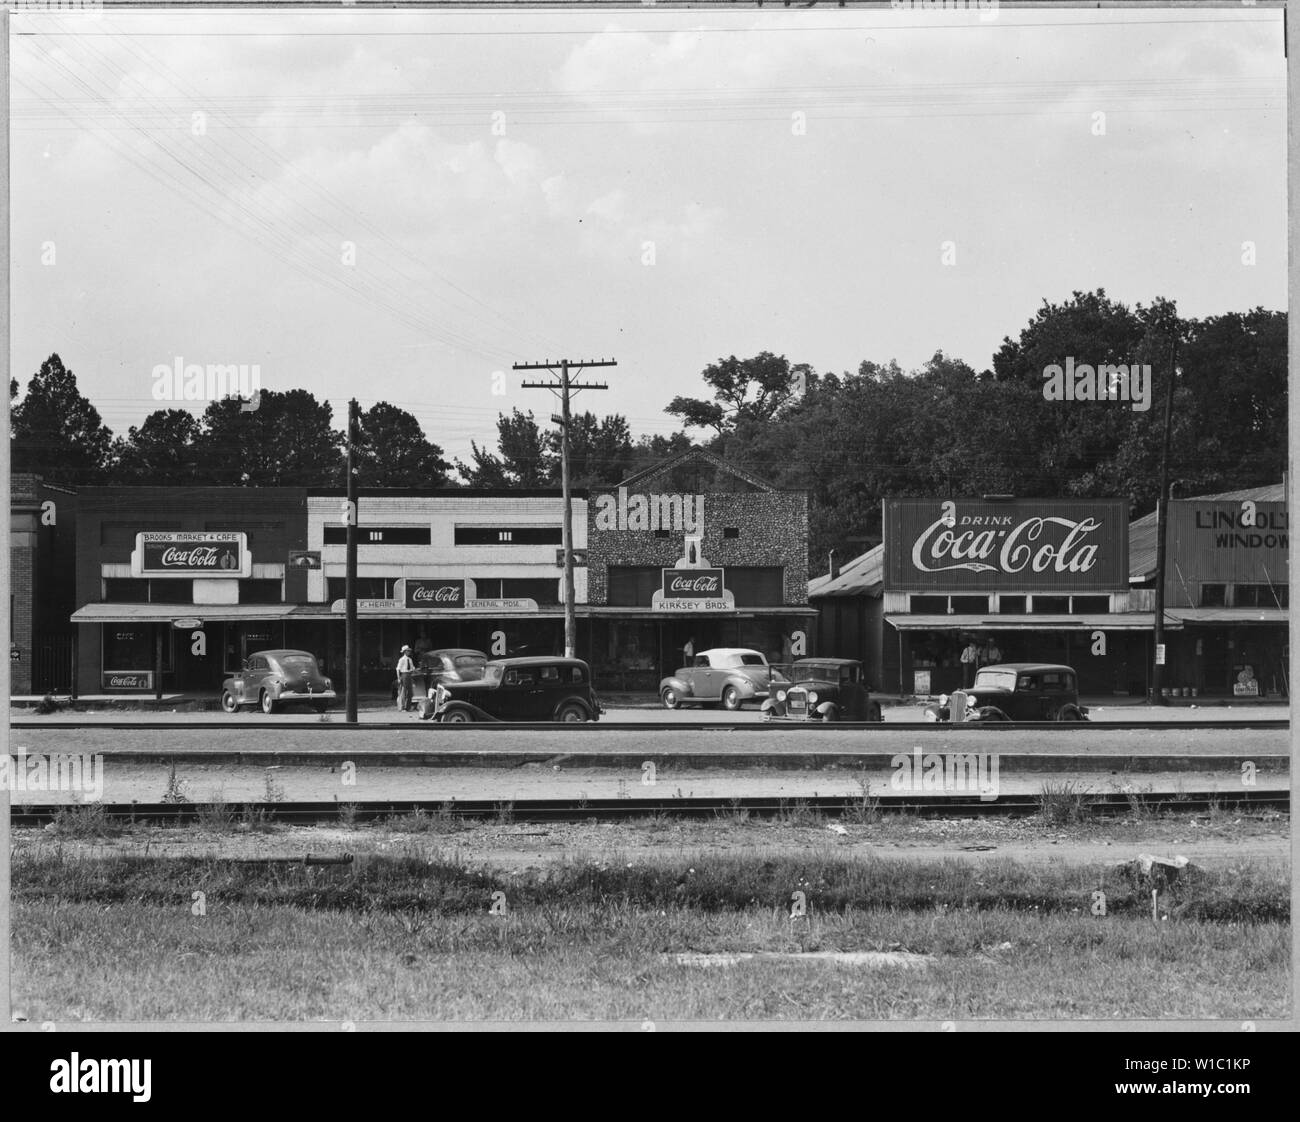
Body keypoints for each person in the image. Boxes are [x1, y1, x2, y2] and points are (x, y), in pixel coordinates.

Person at [395, 645, 416, 712]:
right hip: (404, 675)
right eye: (407, 651)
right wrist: (398, 678)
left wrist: (414, 670)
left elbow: (412, 668)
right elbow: (398, 669)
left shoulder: (410, 659)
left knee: (410, 692)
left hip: (409, 675)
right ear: (404, 652)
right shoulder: (401, 659)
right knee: (404, 691)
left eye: (409, 651)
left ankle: (408, 707)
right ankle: (402, 707)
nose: (409, 652)